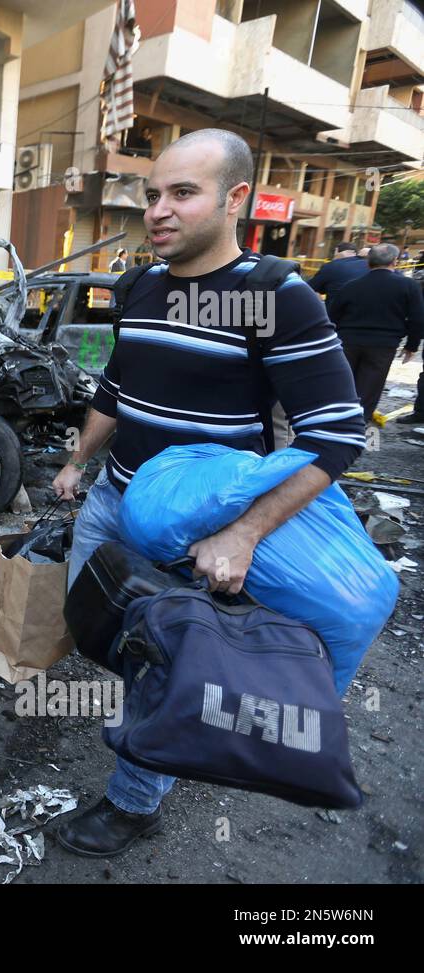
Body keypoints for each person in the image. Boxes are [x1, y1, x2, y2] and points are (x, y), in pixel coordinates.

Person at [50, 128, 364, 858]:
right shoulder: (141, 286)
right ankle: (150, 724)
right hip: (112, 504)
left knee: (166, 666)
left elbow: (337, 432)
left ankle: (134, 800)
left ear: (235, 199)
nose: (158, 209)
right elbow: (117, 387)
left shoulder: (275, 297)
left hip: (191, 533)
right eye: (152, 193)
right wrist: (78, 462)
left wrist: (244, 533)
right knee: (105, 635)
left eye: (182, 193)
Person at [327, 243, 424, 422]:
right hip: (383, 345)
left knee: (343, 384)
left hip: (349, 341)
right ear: (395, 262)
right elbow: (417, 318)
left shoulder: (351, 286)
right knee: (370, 387)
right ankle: (358, 424)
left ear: (368, 263)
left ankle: (337, 421)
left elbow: (333, 316)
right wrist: (412, 346)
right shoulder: (407, 285)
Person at [307, 241, 369, 313]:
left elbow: (309, 288)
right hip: (365, 315)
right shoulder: (368, 264)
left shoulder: (332, 266)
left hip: (337, 316)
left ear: (338, 252)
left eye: (335, 254)